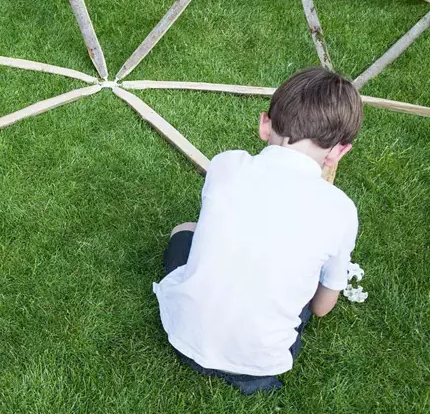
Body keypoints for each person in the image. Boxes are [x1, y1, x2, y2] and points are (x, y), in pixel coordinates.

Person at [154, 67, 363, 394]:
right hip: (257, 368)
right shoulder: (342, 210)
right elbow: (321, 308)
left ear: (265, 124)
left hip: (182, 336)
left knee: (185, 229)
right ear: (339, 151)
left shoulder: (226, 164)